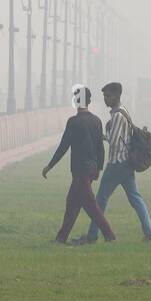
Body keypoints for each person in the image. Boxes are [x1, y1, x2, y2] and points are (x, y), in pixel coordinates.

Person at [75, 82, 151, 245]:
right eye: (104, 96)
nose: (106, 99)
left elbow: (114, 142)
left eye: (108, 96)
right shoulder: (123, 111)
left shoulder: (118, 116)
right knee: (135, 198)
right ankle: (149, 231)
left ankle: (92, 235)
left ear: (117, 96)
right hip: (127, 163)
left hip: (117, 163)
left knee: (100, 200)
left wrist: (104, 133)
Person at [42, 86, 116, 243]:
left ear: (76, 101)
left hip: (80, 170)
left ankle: (109, 235)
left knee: (91, 206)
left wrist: (50, 166)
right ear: (89, 101)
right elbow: (100, 148)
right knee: (72, 204)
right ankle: (61, 238)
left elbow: (63, 147)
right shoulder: (96, 121)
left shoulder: (73, 122)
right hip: (90, 169)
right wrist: (99, 168)